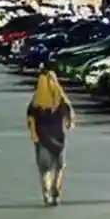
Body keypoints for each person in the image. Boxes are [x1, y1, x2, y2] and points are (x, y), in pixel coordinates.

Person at [26, 70, 75, 206]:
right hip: (59, 138)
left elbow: (30, 119)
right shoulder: (60, 98)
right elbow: (69, 112)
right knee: (59, 167)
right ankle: (56, 191)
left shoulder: (36, 102)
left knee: (44, 170)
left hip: (42, 139)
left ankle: (46, 194)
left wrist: (33, 133)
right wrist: (69, 123)